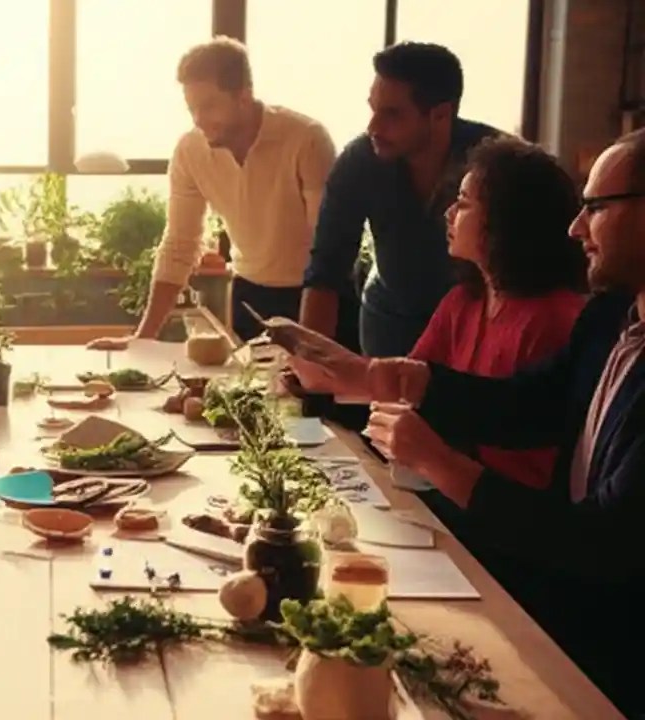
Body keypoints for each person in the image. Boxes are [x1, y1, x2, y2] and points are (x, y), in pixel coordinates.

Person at [284, 129, 645, 716]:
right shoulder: (611, 317)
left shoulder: (567, 312)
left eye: (597, 208)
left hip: (612, 639)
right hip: (562, 587)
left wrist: (440, 462)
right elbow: (526, 405)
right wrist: (365, 377)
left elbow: (608, 545)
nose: (578, 228)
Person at [89, 36, 335, 348]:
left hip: (317, 294)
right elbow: (180, 244)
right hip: (249, 296)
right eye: (192, 108)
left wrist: (312, 345)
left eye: (208, 106)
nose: (198, 120)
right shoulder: (190, 150)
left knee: (312, 394)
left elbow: (327, 247)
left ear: (243, 96)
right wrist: (143, 339)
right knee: (252, 394)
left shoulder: (306, 139)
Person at [406, 135, 587, 494]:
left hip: (502, 516)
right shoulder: (463, 300)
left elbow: (532, 471)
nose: (449, 213)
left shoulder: (556, 319)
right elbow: (409, 390)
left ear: (506, 221)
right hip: (446, 489)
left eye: (463, 203)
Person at [300, 42, 498, 358]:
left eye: (391, 114)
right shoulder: (360, 160)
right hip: (390, 321)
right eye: (373, 109)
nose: (373, 127)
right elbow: (326, 267)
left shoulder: (494, 164)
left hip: (476, 323)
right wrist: (305, 362)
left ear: (441, 114)